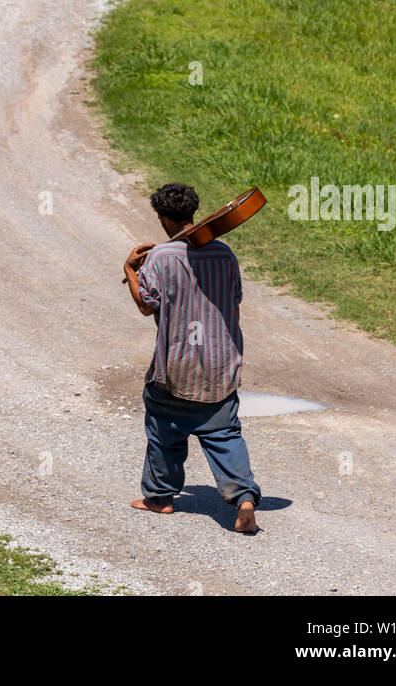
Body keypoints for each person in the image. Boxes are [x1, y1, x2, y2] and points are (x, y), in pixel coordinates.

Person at [123, 182, 260, 532]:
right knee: (225, 433)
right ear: (194, 212)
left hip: (176, 365)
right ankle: (243, 498)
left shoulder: (160, 258)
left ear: (163, 218)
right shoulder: (224, 254)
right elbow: (235, 302)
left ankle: (159, 497)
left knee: (163, 428)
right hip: (219, 363)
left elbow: (145, 305)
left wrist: (129, 269)